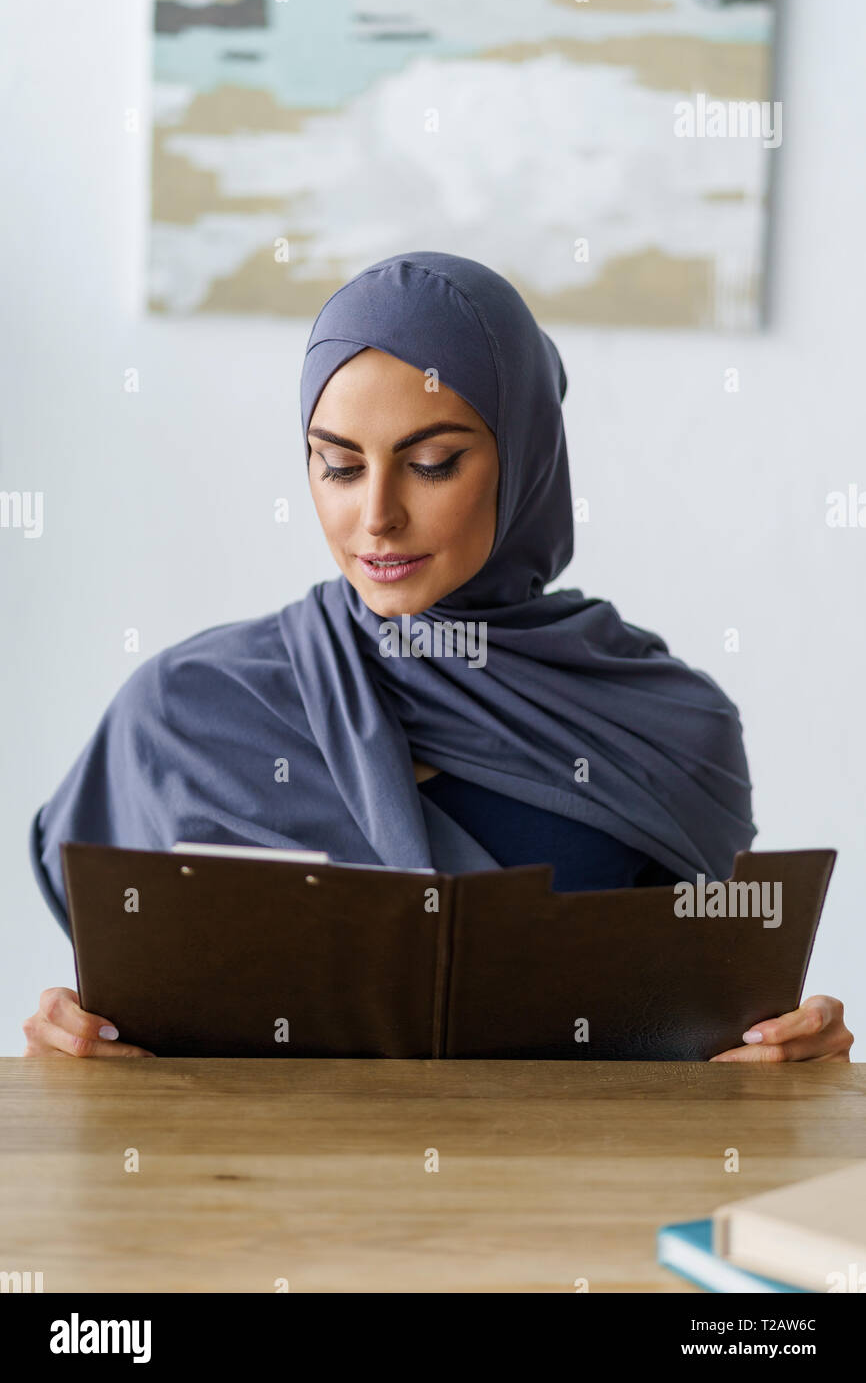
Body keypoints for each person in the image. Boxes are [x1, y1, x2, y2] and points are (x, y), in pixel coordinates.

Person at [23, 251, 852, 1062]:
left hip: (568, 1191)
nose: (376, 516)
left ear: (525, 459)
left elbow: (703, 1042)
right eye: (338, 466)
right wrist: (77, 1038)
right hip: (251, 1193)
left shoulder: (670, 726)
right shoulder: (184, 709)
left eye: (431, 464)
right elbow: (124, 1021)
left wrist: (786, 1052)